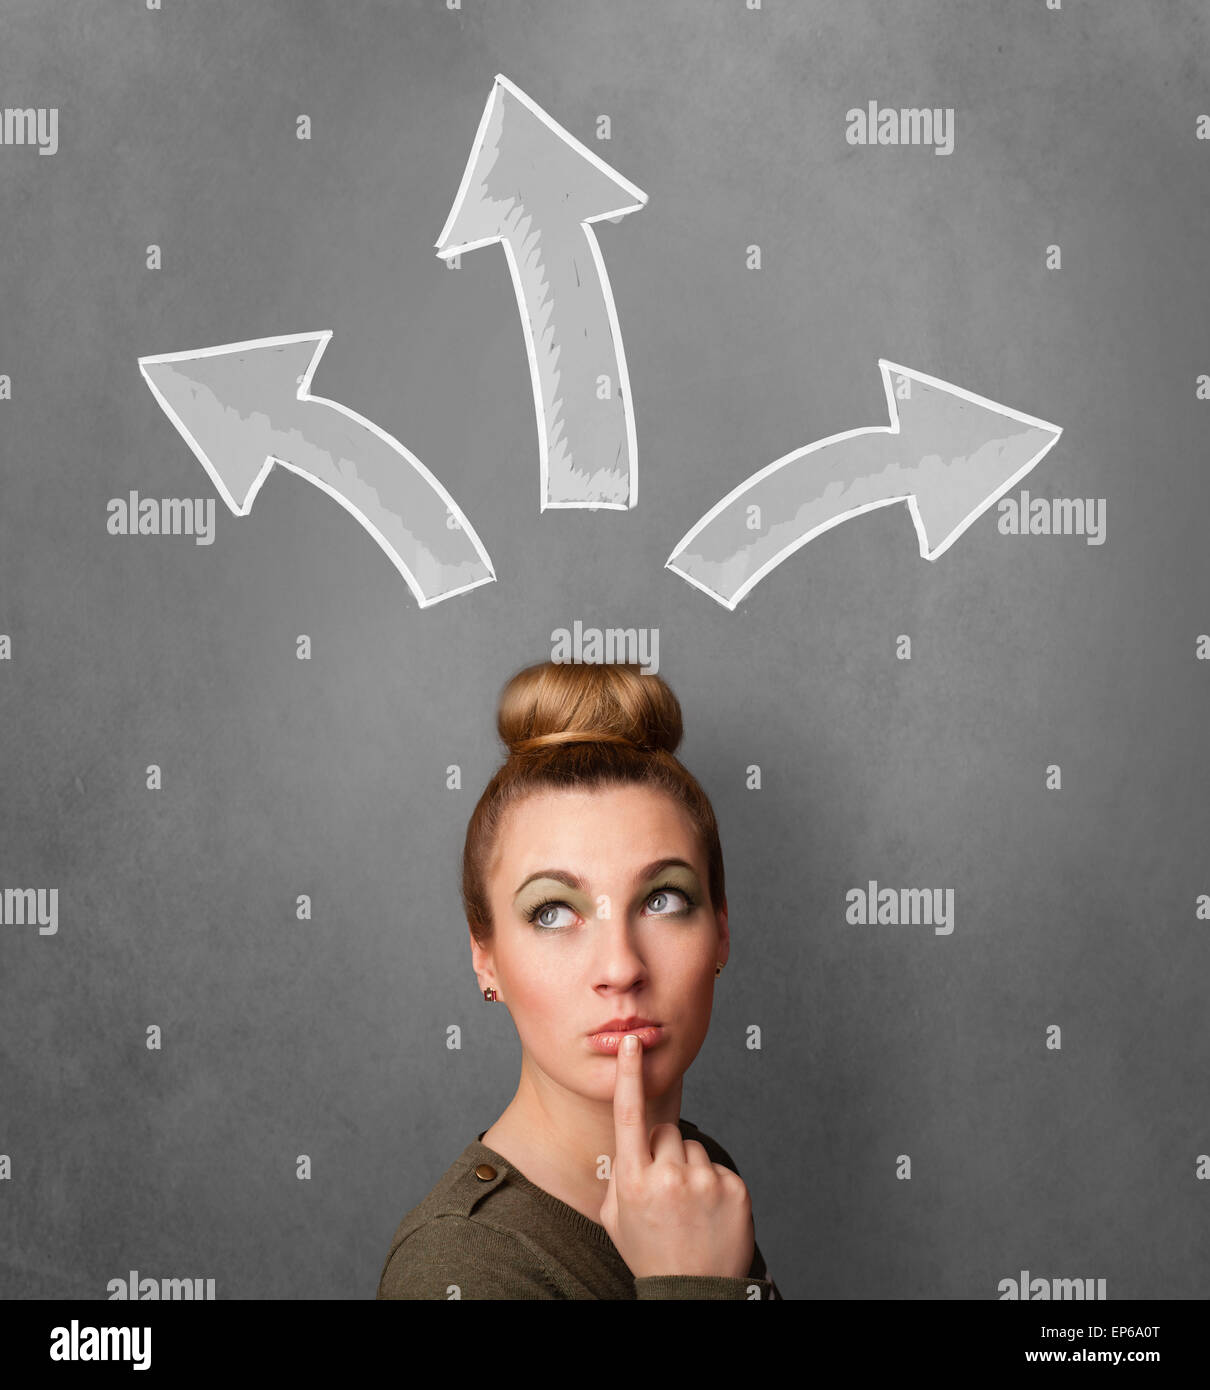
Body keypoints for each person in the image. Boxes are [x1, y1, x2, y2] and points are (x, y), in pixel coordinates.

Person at [376, 659, 780, 1299]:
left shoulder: (697, 1186)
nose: (621, 967)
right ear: (486, 959)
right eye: (553, 912)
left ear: (721, 931)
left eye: (663, 900)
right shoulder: (461, 1269)